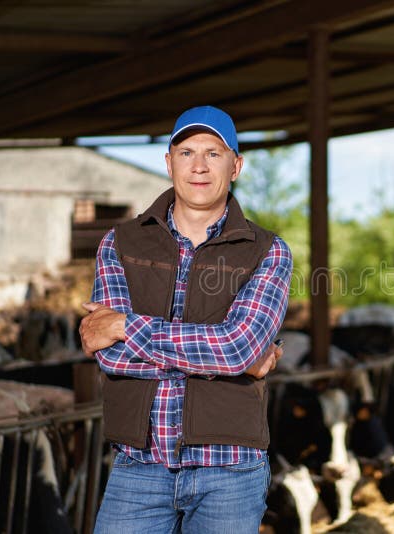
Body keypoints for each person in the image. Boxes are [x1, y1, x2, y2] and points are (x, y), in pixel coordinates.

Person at [79, 105, 292, 534]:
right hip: (139, 467)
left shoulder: (269, 251)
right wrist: (233, 362)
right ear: (168, 161)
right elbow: (112, 359)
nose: (199, 166)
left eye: (214, 154)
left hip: (230, 472)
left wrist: (124, 325)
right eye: (187, 152)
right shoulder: (118, 242)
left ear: (236, 165)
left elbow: (236, 348)